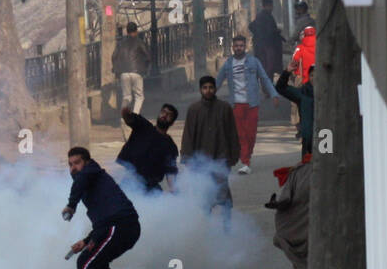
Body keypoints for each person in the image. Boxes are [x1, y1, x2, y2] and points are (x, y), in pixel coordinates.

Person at [60, 147, 139, 269]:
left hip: (120, 225)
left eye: (77, 163)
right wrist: (86, 241)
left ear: (87, 162)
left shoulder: (90, 172)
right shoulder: (91, 181)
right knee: (96, 262)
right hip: (116, 227)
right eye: (70, 164)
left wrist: (71, 205)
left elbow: (80, 181)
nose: (73, 168)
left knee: (86, 261)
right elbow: (102, 223)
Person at [214, 35, 280, 174]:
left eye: (241, 46)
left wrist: (274, 94)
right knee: (240, 135)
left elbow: (265, 78)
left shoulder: (254, 62)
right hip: (236, 104)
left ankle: (247, 156)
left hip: (252, 104)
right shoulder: (228, 64)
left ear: (245, 47)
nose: (239, 48)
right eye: (236, 46)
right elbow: (217, 81)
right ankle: (245, 162)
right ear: (233, 47)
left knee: (251, 134)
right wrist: (208, 94)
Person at [180, 75, 240, 228]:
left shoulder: (224, 108)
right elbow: (188, 135)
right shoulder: (194, 109)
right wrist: (187, 158)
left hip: (221, 157)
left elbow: (232, 132)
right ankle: (207, 228)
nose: (208, 90)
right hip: (201, 161)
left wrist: (234, 155)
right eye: (205, 88)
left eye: (211, 87)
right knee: (205, 195)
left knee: (223, 196)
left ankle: (227, 227)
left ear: (215, 89)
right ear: (201, 90)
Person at [115, 102, 179, 192]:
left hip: (151, 187)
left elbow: (171, 170)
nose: (165, 115)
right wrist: (125, 111)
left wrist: (174, 190)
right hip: (131, 180)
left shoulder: (170, 146)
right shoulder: (143, 126)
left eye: (169, 115)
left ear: (172, 122)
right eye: (163, 112)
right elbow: (129, 118)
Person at [112, 23, 151, 122]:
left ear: (127, 31)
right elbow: (148, 57)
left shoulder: (120, 44)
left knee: (126, 96)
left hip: (123, 73)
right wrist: (145, 69)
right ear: (136, 31)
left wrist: (117, 70)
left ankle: (123, 117)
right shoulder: (139, 42)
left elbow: (114, 57)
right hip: (137, 72)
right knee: (139, 96)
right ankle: (135, 116)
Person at [276, 68, 314, 157]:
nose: (315, 78)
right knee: (307, 167)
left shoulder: (331, 93)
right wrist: (287, 72)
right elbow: (281, 88)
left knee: (327, 167)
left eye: (318, 75)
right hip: (308, 138)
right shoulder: (303, 92)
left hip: (326, 136)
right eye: (312, 75)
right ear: (309, 77)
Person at [248, 0, 285, 77]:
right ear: (266, 6)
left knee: (267, 66)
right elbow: (268, 31)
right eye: (270, 6)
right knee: (269, 67)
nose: (272, 8)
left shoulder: (263, 16)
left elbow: (251, 26)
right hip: (267, 45)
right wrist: (276, 32)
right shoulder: (264, 16)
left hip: (263, 44)